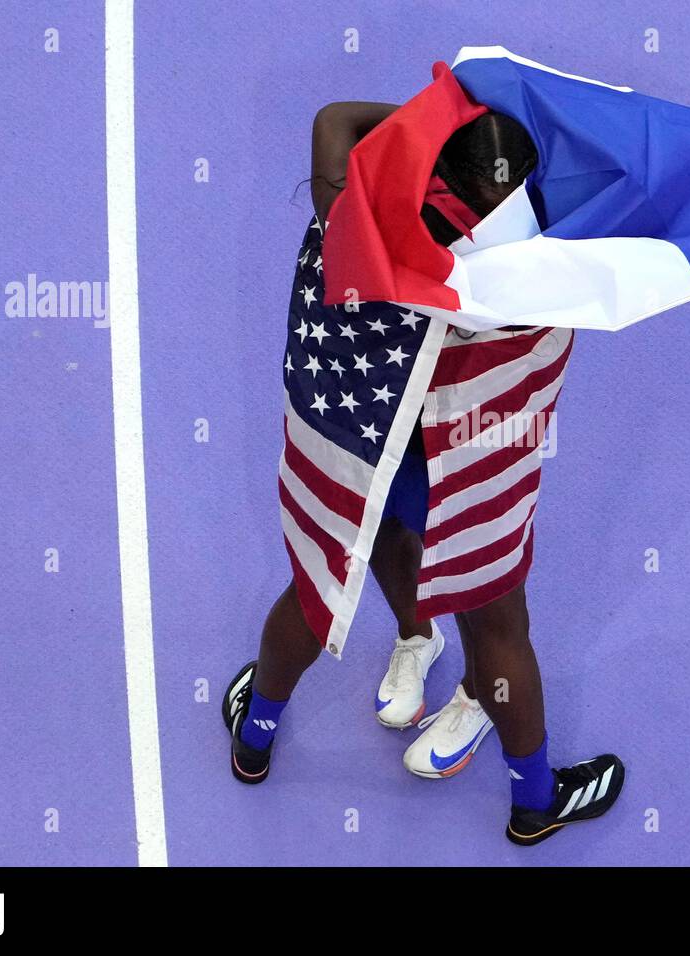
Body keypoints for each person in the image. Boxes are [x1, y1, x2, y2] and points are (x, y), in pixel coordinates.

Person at [221, 101, 624, 846]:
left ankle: (256, 736)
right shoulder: (552, 269)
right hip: (466, 473)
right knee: (501, 631)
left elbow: (336, 117)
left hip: (374, 454)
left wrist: (445, 115)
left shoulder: (359, 224)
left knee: (317, 590)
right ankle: (534, 799)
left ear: (446, 170)